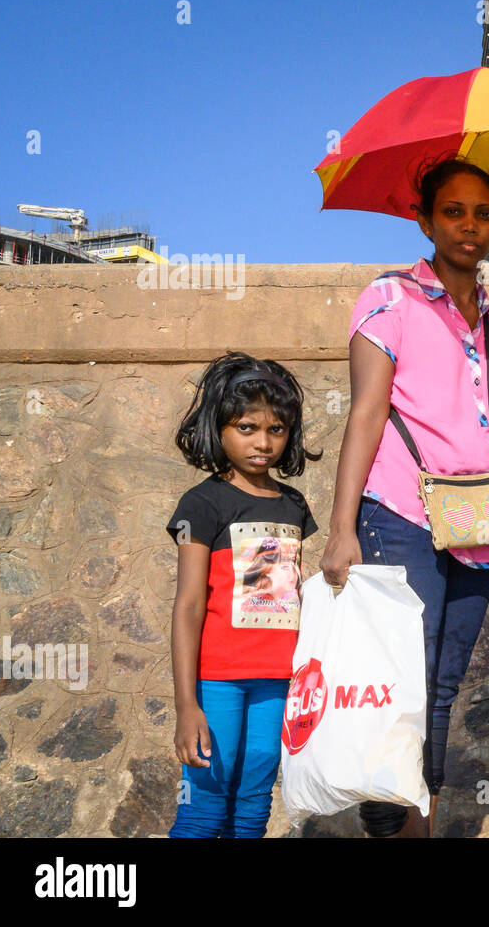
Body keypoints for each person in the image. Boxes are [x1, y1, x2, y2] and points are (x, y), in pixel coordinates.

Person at [320, 157, 489, 837]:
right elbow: (366, 412)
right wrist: (343, 528)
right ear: (424, 220)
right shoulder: (388, 299)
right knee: (402, 682)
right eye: (453, 211)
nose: (469, 226)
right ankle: (399, 824)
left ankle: (415, 814)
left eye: (483, 214)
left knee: (442, 684)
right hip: (397, 511)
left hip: (475, 518)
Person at [166, 353, 320, 838]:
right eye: (247, 427)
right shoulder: (202, 504)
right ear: (220, 428)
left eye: (276, 430)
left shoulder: (294, 506)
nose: (263, 442)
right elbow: (189, 605)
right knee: (206, 802)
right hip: (218, 682)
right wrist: (186, 704)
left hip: (279, 680)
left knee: (254, 801)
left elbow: (295, 592)